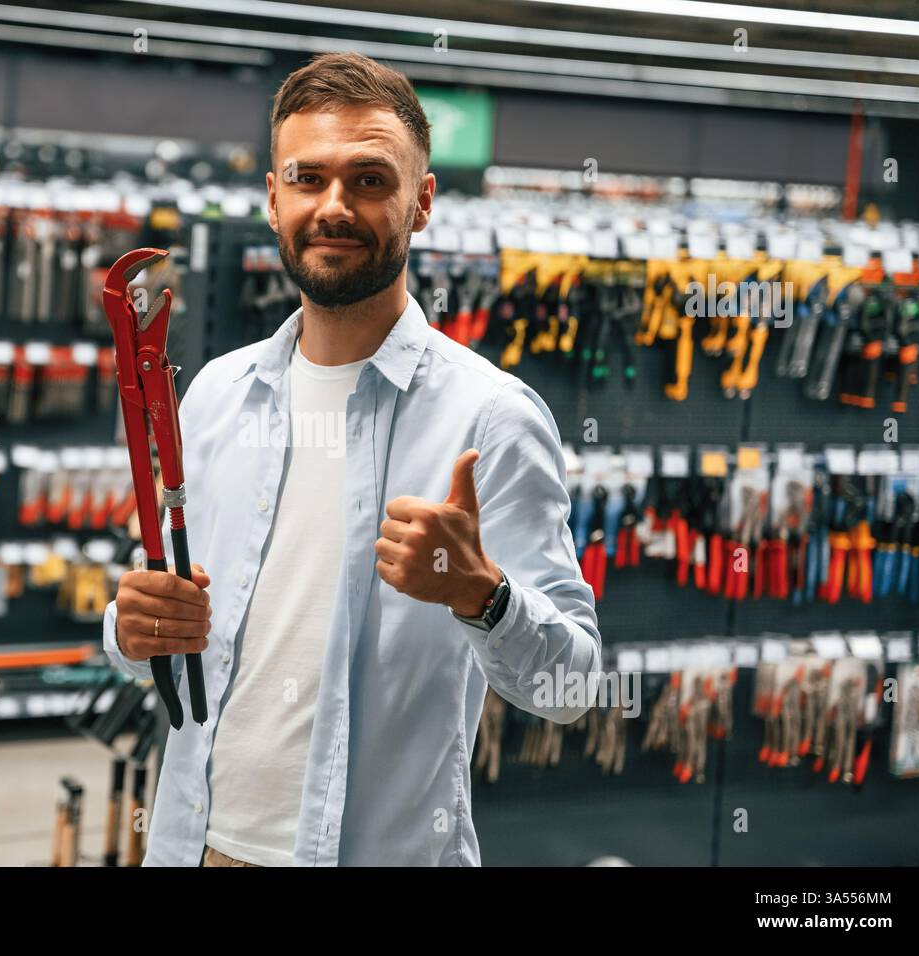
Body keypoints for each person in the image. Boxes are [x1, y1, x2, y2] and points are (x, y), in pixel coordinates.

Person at [104, 51, 601, 867]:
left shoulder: (491, 419)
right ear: (273, 200)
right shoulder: (218, 397)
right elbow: (157, 621)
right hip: (194, 849)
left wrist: (481, 595)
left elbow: (573, 688)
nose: (334, 207)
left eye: (370, 181)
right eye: (309, 178)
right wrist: (128, 628)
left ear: (421, 203)